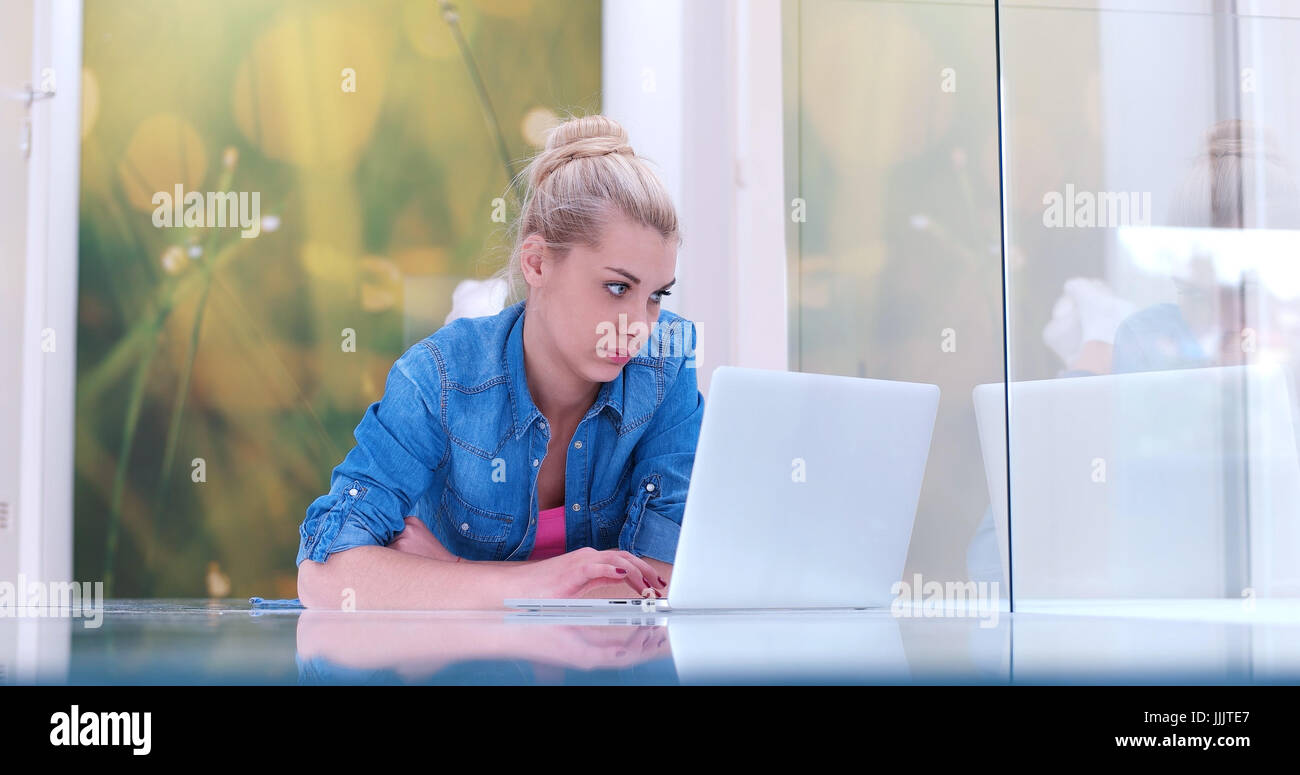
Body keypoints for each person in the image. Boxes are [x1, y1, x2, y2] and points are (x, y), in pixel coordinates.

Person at [296, 114, 703, 610]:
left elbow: (672, 580)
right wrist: (538, 583)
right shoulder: (441, 378)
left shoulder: (666, 359)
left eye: (656, 295)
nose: (638, 326)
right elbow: (326, 574)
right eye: (617, 288)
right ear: (536, 264)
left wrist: (456, 573)